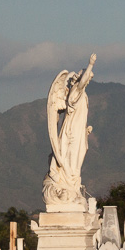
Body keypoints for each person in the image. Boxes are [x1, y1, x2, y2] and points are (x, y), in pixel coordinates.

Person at [43, 54, 97, 207]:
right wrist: (91, 64)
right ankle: (68, 187)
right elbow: (82, 83)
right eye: (88, 78)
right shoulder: (75, 91)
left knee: (79, 156)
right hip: (71, 133)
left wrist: (85, 130)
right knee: (71, 160)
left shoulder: (82, 94)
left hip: (78, 131)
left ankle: (72, 188)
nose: (89, 80)